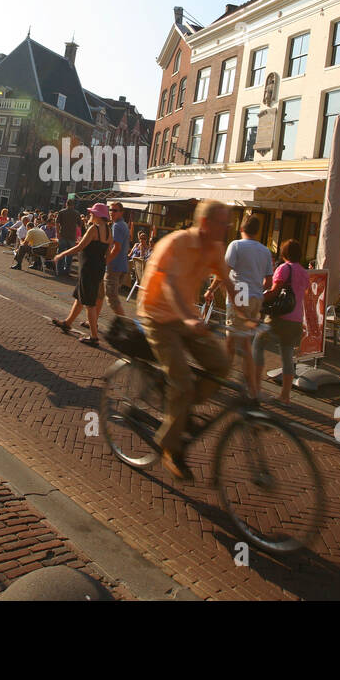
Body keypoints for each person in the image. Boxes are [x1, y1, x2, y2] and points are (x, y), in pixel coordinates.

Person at [135, 200, 237, 480]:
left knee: (220, 366)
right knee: (181, 382)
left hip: (187, 316)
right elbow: (167, 284)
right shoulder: (177, 243)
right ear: (206, 224)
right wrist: (189, 318)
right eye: (223, 222)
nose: (228, 227)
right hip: (158, 315)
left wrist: (247, 313)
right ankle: (170, 446)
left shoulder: (215, 247)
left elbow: (226, 280)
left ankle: (180, 408)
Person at [207, 214, 273, 398]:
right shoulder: (265, 251)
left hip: (240, 294)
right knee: (244, 342)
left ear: (241, 228)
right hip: (256, 297)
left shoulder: (236, 245)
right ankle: (251, 388)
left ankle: (223, 382)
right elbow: (269, 280)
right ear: (257, 231)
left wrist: (211, 290)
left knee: (232, 341)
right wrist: (257, 288)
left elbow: (223, 271)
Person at [52, 203, 116, 345]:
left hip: (88, 269)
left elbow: (80, 247)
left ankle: (94, 337)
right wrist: (102, 264)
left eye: (92, 213)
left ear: (97, 215)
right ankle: (67, 322)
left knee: (89, 303)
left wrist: (62, 254)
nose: (90, 215)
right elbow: (108, 253)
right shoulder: (109, 231)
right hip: (97, 269)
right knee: (80, 298)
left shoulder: (94, 229)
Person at [263, 239, 311, 406]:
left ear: (284, 253)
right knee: (287, 357)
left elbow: (274, 292)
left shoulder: (283, 268)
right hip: (296, 319)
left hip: (279, 318)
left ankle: (252, 385)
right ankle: (285, 396)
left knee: (256, 343)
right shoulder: (305, 273)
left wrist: (258, 298)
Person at [102, 202, 132, 318]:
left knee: (112, 298)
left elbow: (117, 247)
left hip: (114, 266)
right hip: (121, 265)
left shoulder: (118, 226)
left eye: (115, 210)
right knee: (100, 294)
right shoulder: (123, 224)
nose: (112, 212)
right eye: (110, 210)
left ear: (121, 212)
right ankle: (92, 321)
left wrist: (106, 261)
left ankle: (126, 326)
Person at [55, 199, 80, 277]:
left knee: (61, 253)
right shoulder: (77, 213)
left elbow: (57, 223)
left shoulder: (62, 212)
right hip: (72, 236)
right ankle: (67, 271)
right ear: (73, 205)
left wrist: (58, 232)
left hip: (63, 235)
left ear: (66, 204)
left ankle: (59, 271)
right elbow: (79, 225)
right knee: (70, 255)